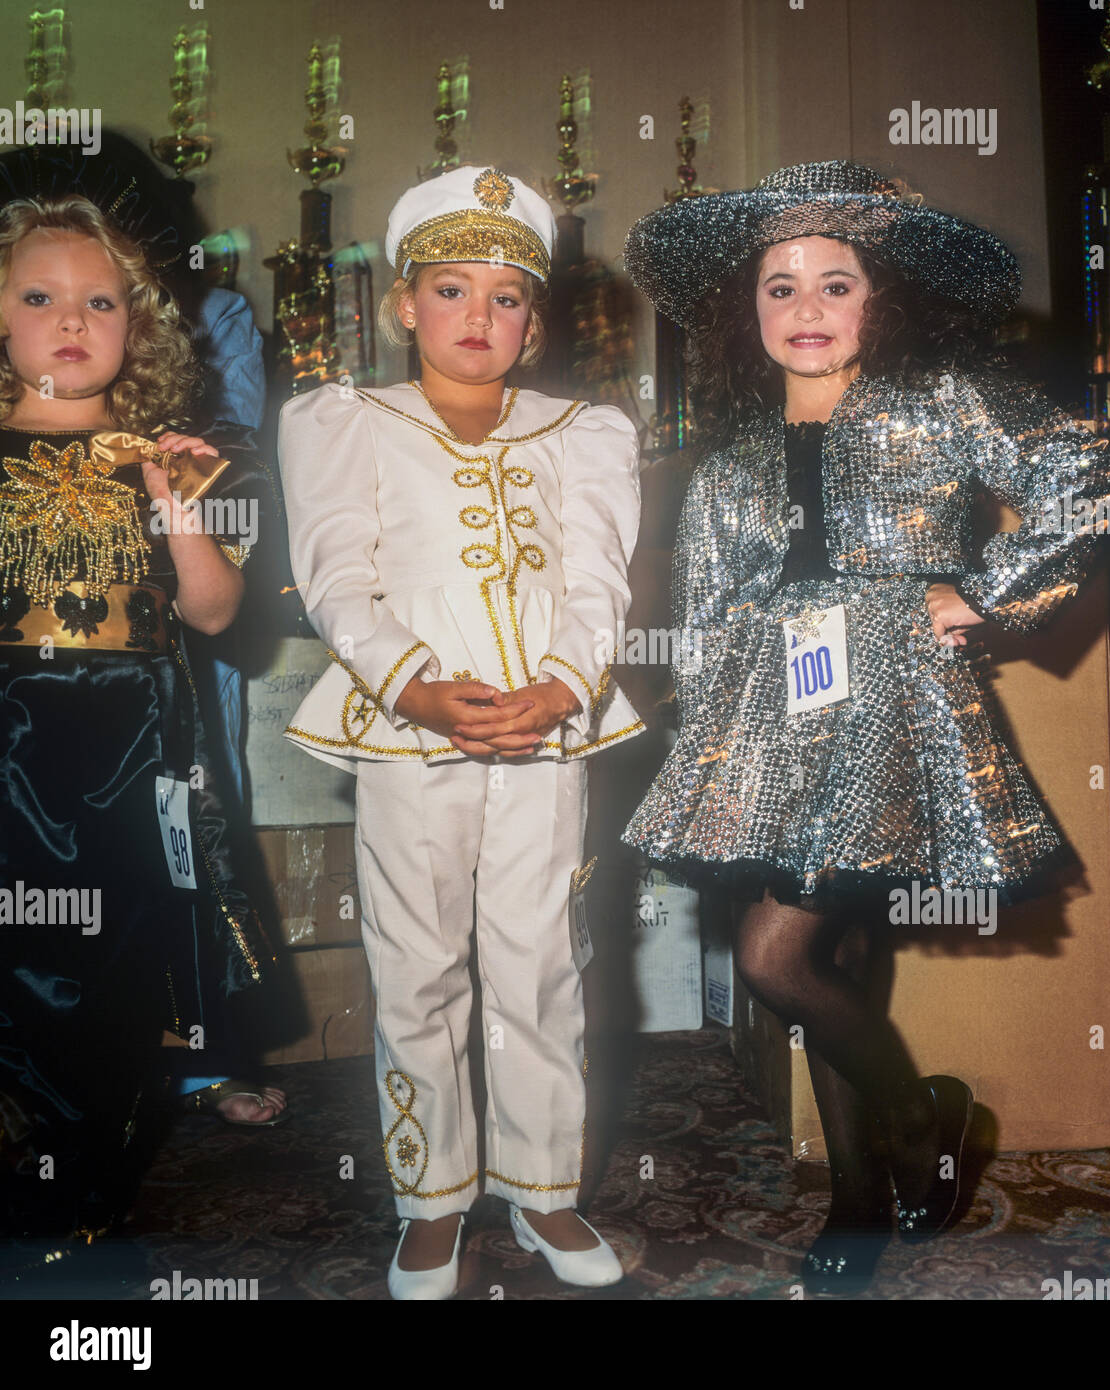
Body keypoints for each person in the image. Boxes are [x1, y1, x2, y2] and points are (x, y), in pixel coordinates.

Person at [619, 161, 1110, 1290]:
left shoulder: (941, 397)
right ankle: (859, 1198)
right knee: (834, 955)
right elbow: (703, 623)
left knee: (777, 952)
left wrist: (989, 588)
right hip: (774, 724)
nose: (805, 310)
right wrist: (711, 763)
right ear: (739, 311)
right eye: (778, 287)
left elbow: (1091, 479)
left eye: (834, 283)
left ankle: (917, 1117)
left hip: (894, 707)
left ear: (881, 299)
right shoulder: (730, 464)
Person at [279, 164, 644, 1299]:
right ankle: (430, 1201)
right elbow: (337, 579)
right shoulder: (344, 420)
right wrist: (414, 686)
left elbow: (599, 584)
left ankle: (543, 1191)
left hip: (544, 730)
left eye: (504, 295)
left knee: (540, 960)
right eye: (449, 289)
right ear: (404, 303)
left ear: (533, 320)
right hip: (413, 731)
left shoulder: (583, 430)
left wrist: (562, 683)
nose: (476, 317)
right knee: (419, 963)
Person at [0, 193, 275, 1271]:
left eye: (100, 300)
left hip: (131, 753)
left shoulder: (167, 458)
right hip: (13, 747)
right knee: (24, 961)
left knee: (123, 960)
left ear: (140, 324)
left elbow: (212, 614)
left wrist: (174, 498)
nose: (71, 318)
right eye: (39, 296)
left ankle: (93, 1181)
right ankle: (41, 1168)